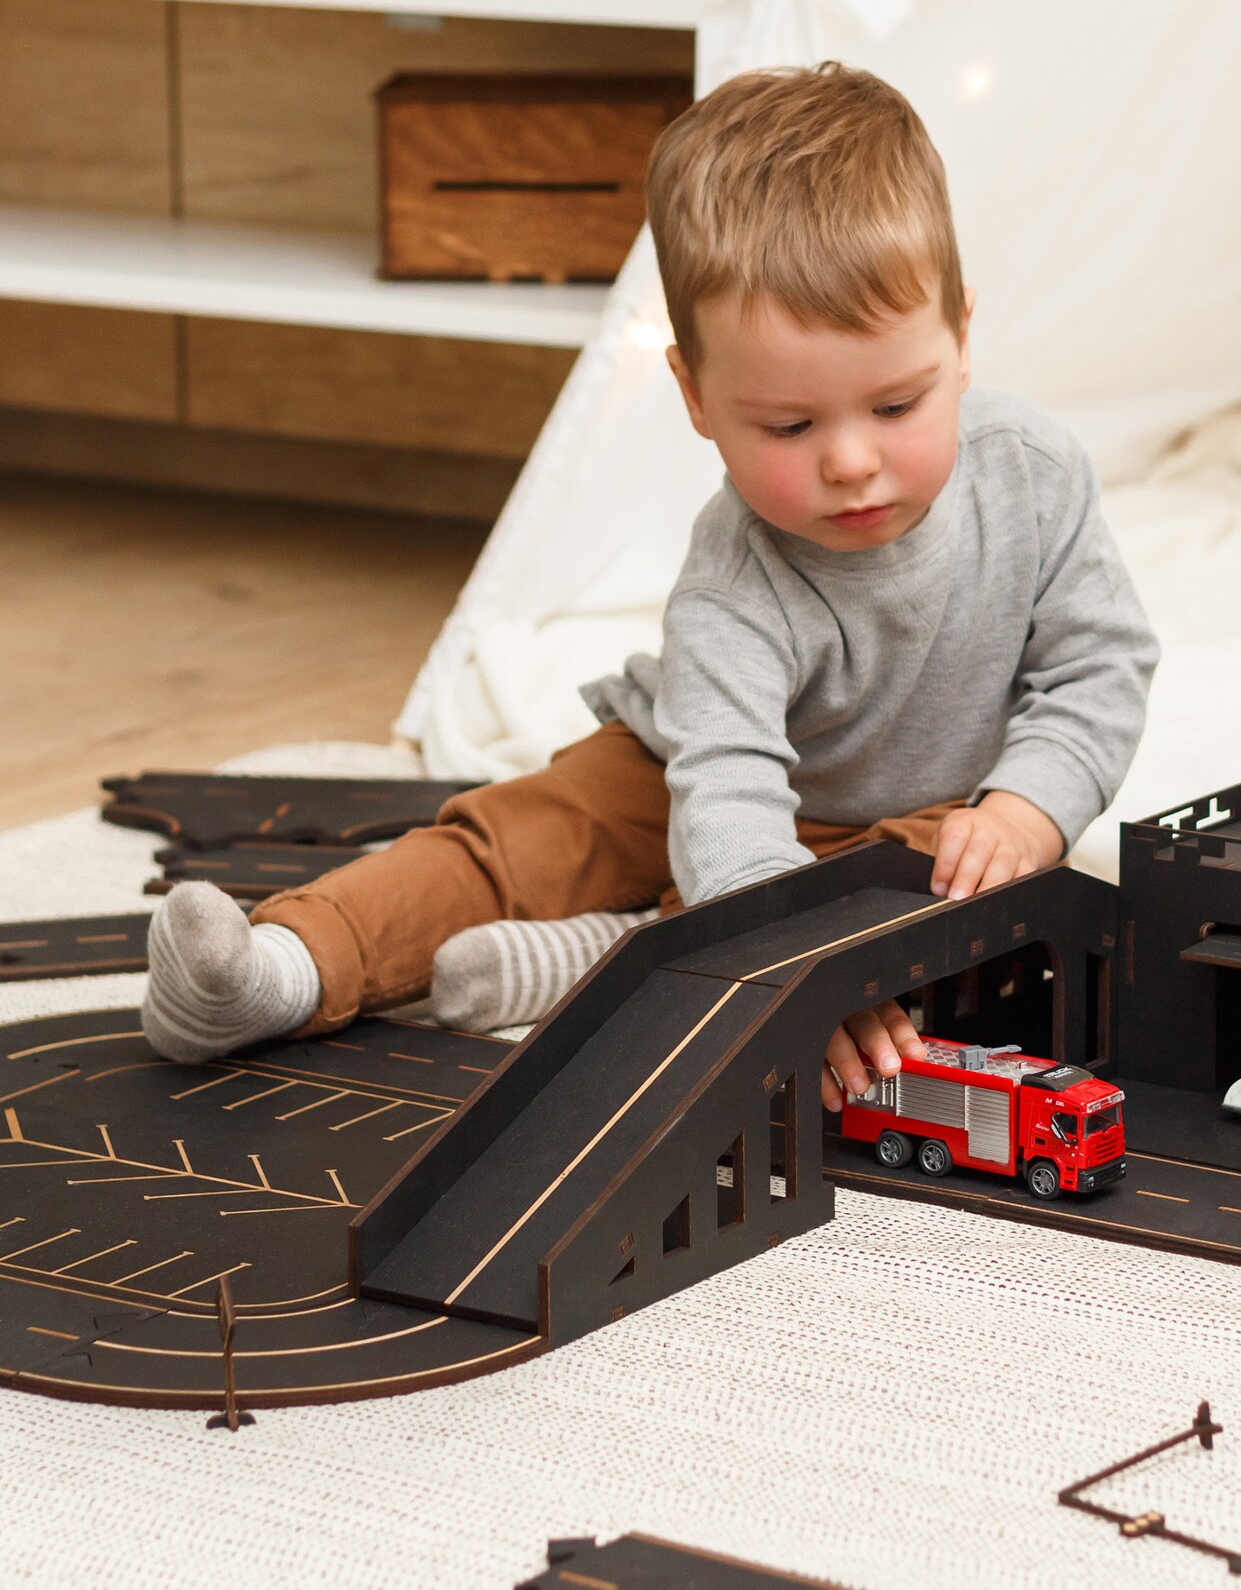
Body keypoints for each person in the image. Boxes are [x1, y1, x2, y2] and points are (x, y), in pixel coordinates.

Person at [141, 62, 1159, 1111]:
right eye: (790, 425)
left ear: (962, 339)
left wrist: (1028, 804)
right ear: (696, 396)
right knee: (515, 837)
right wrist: (782, 962)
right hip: (686, 767)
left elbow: (1099, 666)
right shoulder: (736, 573)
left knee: (960, 888)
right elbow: (726, 792)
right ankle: (284, 966)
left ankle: (607, 958)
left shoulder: (1031, 472)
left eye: (897, 406)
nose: (852, 462)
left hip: (928, 812)